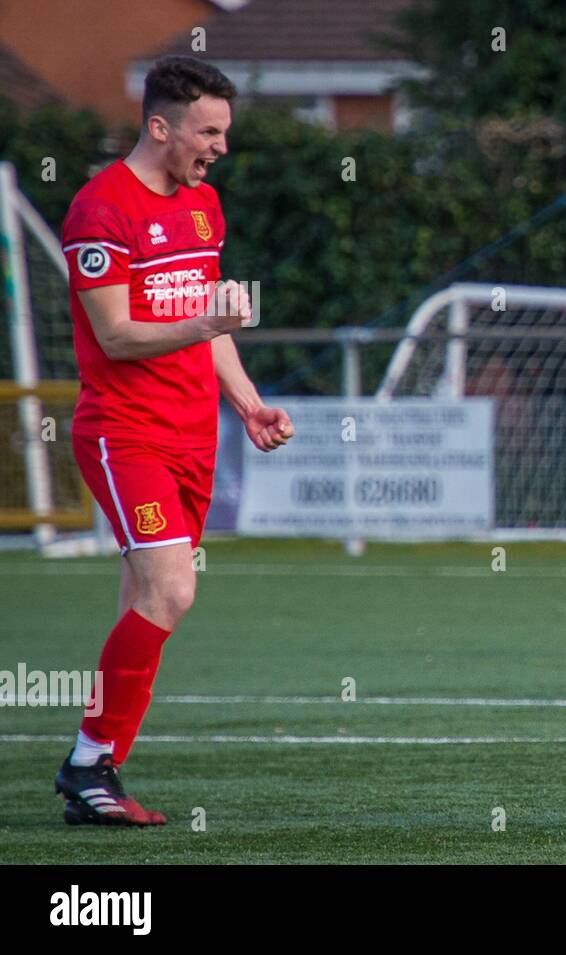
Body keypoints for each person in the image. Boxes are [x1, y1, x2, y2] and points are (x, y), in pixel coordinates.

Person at [55, 56, 295, 826]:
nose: (220, 146)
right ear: (160, 127)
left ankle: (99, 773)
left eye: (225, 131)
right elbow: (118, 335)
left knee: (146, 599)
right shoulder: (101, 211)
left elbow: (207, 327)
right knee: (172, 590)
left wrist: (248, 402)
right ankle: (88, 760)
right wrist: (207, 323)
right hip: (126, 437)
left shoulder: (203, 208)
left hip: (193, 437)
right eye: (209, 131)